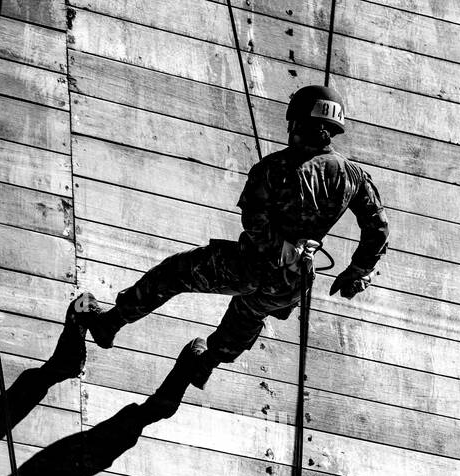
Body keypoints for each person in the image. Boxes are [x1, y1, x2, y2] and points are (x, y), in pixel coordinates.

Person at [75, 84, 390, 416]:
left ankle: (109, 323)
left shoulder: (275, 167)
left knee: (176, 273)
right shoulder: (353, 176)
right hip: (293, 281)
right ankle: (203, 363)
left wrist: (281, 249)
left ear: (296, 122)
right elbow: (377, 226)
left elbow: (253, 220)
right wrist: (359, 269)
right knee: (248, 316)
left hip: (249, 265)